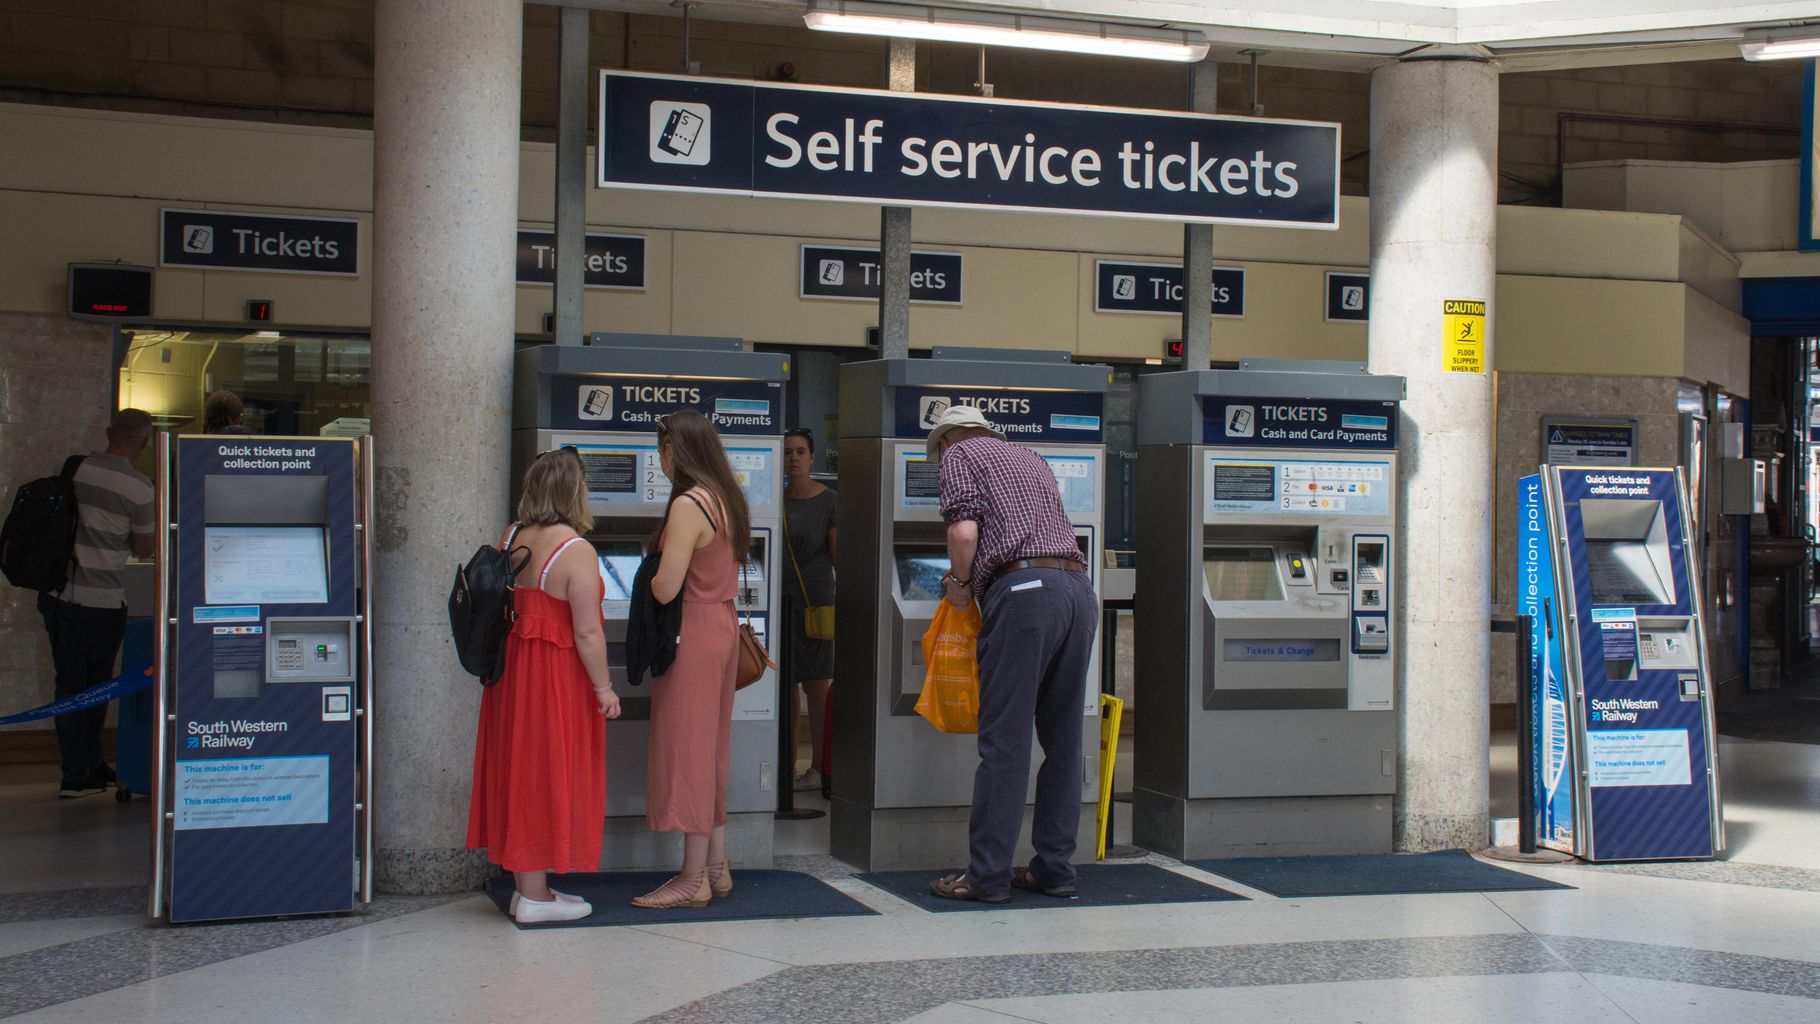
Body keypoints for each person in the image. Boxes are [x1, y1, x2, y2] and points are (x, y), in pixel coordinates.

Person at [924, 405, 1099, 903]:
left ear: (947, 438)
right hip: (1077, 590)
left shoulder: (959, 454)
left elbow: (963, 533)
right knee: (1064, 739)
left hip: (1022, 591)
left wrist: (959, 586)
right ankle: (1055, 869)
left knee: (1005, 739)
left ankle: (987, 875)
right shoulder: (1028, 455)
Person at [466, 447, 622, 924]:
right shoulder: (576, 550)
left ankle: (530, 889)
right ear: (575, 492)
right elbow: (588, 631)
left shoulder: (511, 536)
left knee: (520, 769)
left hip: (511, 675)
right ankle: (534, 898)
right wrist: (604, 689)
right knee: (546, 772)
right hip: (554, 680)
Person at [636, 410, 748, 909]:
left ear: (674, 450)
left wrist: (650, 565)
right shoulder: (727, 498)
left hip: (693, 633)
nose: (659, 460)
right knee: (713, 748)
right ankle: (716, 868)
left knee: (689, 752)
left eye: (661, 449)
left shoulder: (688, 504)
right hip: (721, 626)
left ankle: (690, 879)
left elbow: (665, 589)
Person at [38, 409, 156, 798]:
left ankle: (83, 765)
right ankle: (79, 770)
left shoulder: (75, 468)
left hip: (58, 594)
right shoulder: (139, 488)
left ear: (108, 433)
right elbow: (145, 546)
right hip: (101, 599)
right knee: (96, 685)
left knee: (69, 683)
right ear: (145, 442)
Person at [781, 427, 836, 793]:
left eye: (801, 451)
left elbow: (839, 555)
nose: (794, 458)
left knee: (817, 684)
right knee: (785, 686)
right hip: (780, 599)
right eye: (787, 452)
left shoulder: (829, 500)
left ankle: (818, 765)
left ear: (813, 457)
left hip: (816, 600)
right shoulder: (775, 498)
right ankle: (784, 769)